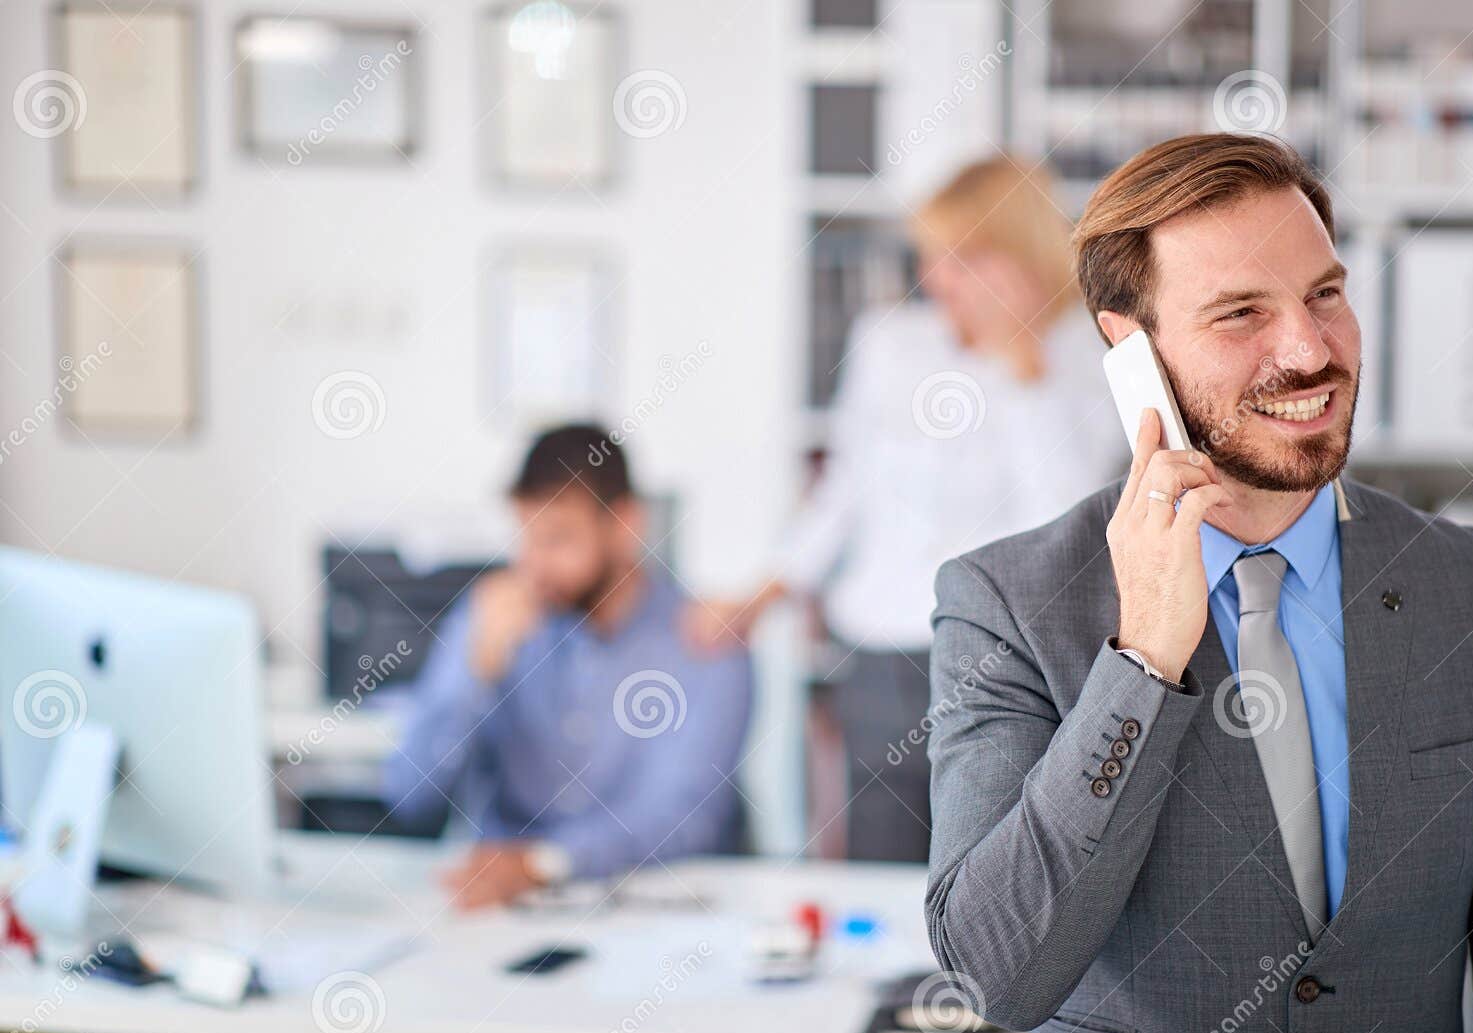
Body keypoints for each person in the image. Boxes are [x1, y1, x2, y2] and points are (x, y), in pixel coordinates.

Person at [924, 133, 1473, 1033]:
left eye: (1325, 295)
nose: (1310, 349)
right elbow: (1000, 977)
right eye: (1241, 312)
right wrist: (1142, 660)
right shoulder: (1005, 602)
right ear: (1131, 351)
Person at [684, 154, 1124, 863]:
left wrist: (1021, 360)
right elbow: (845, 491)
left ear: (1021, 254)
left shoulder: (1089, 354)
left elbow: (1070, 522)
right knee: (881, 866)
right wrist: (763, 595)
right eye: (932, 257)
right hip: (881, 652)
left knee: (993, 868)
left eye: (964, 259)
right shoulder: (889, 343)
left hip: (1006, 658)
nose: (937, 280)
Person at [384, 425, 753, 909]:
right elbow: (410, 798)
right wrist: (473, 675)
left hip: (646, 912)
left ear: (626, 525)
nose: (533, 564)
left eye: (557, 538)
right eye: (526, 537)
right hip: (497, 913)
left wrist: (543, 864)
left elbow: (682, 821)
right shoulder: (491, 620)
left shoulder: (704, 641)